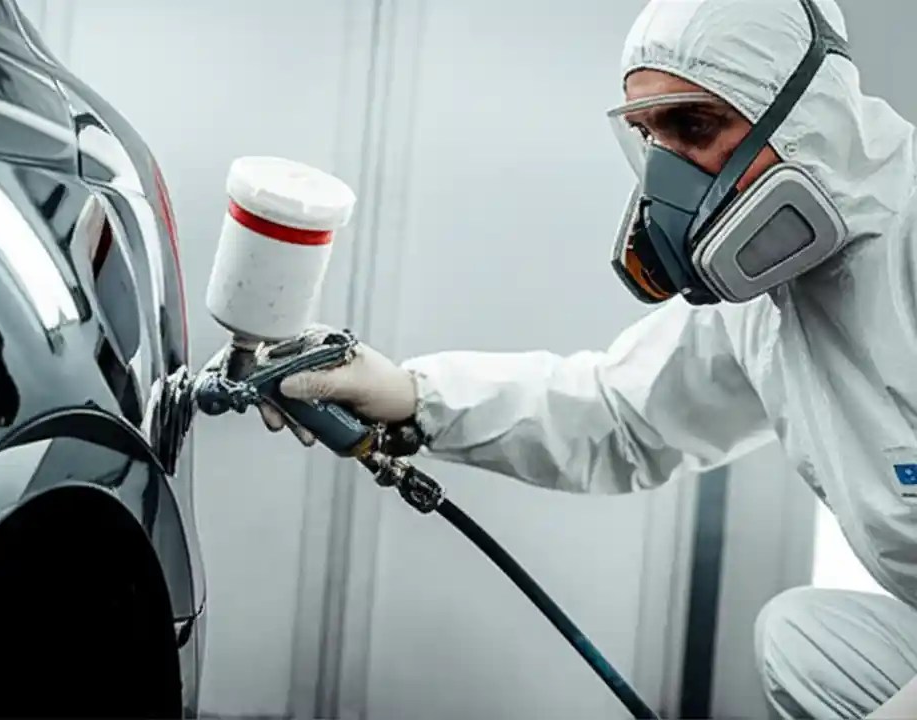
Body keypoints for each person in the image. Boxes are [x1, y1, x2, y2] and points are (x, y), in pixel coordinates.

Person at [234, 0, 917, 717]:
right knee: (805, 641)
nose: (668, 183)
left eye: (693, 126)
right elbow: (623, 415)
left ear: (806, 115)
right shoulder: (768, 299)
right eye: (651, 138)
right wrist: (414, 397)